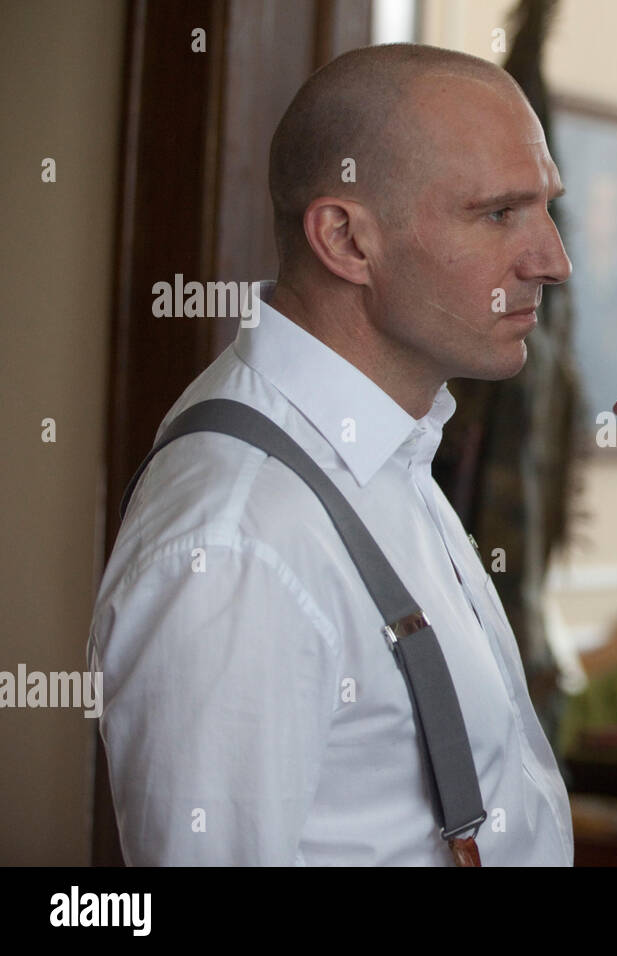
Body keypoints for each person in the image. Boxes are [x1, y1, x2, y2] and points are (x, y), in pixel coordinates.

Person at [89, 44, 574, 865]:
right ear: (346, 239)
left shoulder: (390, 452)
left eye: (546, 208)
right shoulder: (239, 538)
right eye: (499, 214)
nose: (553, 261)